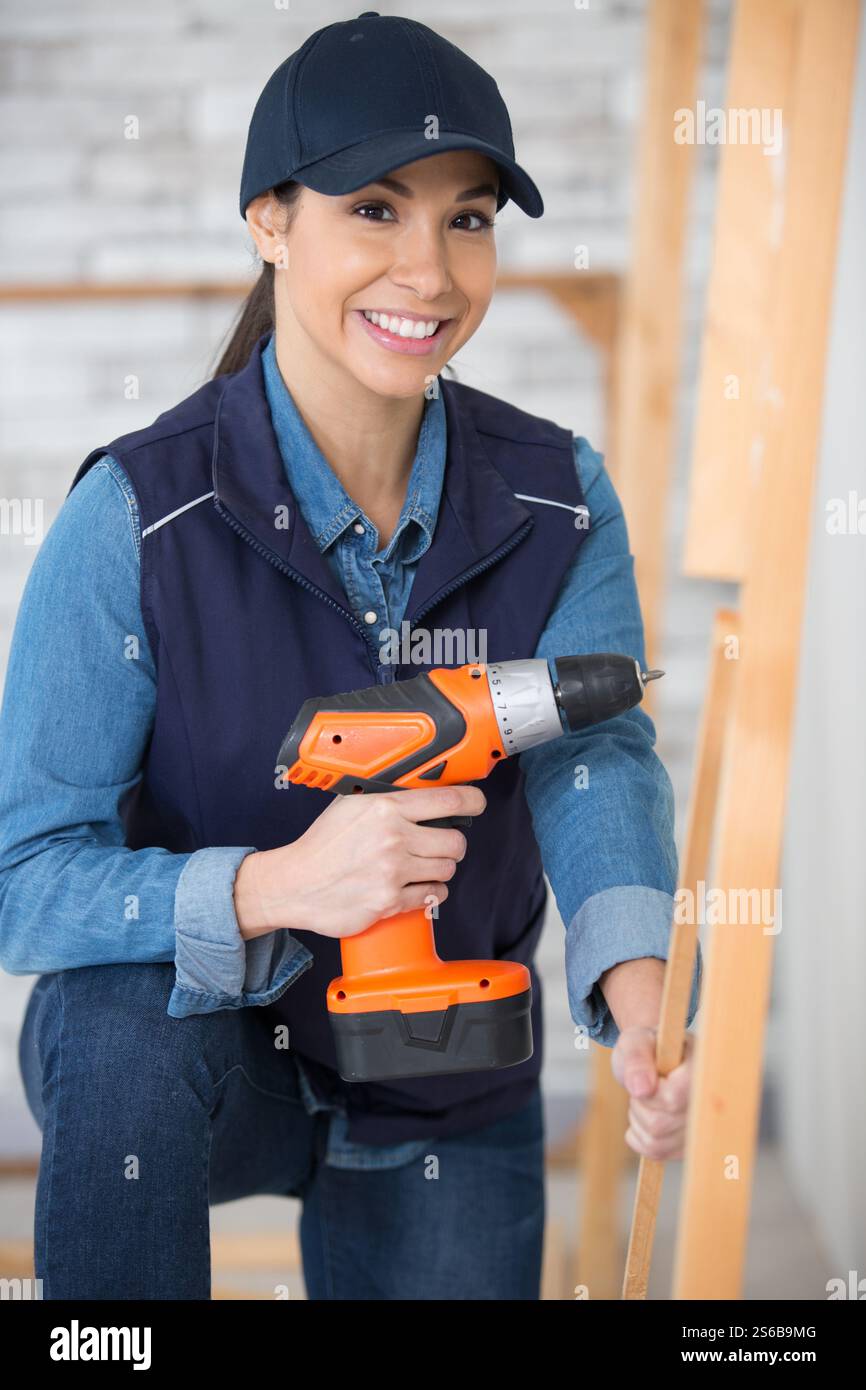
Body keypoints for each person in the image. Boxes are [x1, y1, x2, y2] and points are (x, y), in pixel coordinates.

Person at [0, 12, 700, 1301]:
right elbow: (23, 879)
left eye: (469, 218)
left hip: (446, 1065)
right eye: (375, 210)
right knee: (110, 1037)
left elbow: (596, 757)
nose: (429, 273)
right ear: (271, 221)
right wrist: (272, 888)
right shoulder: (136, 522)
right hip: (205, 1061)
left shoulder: (558, 500)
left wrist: (641, 995)